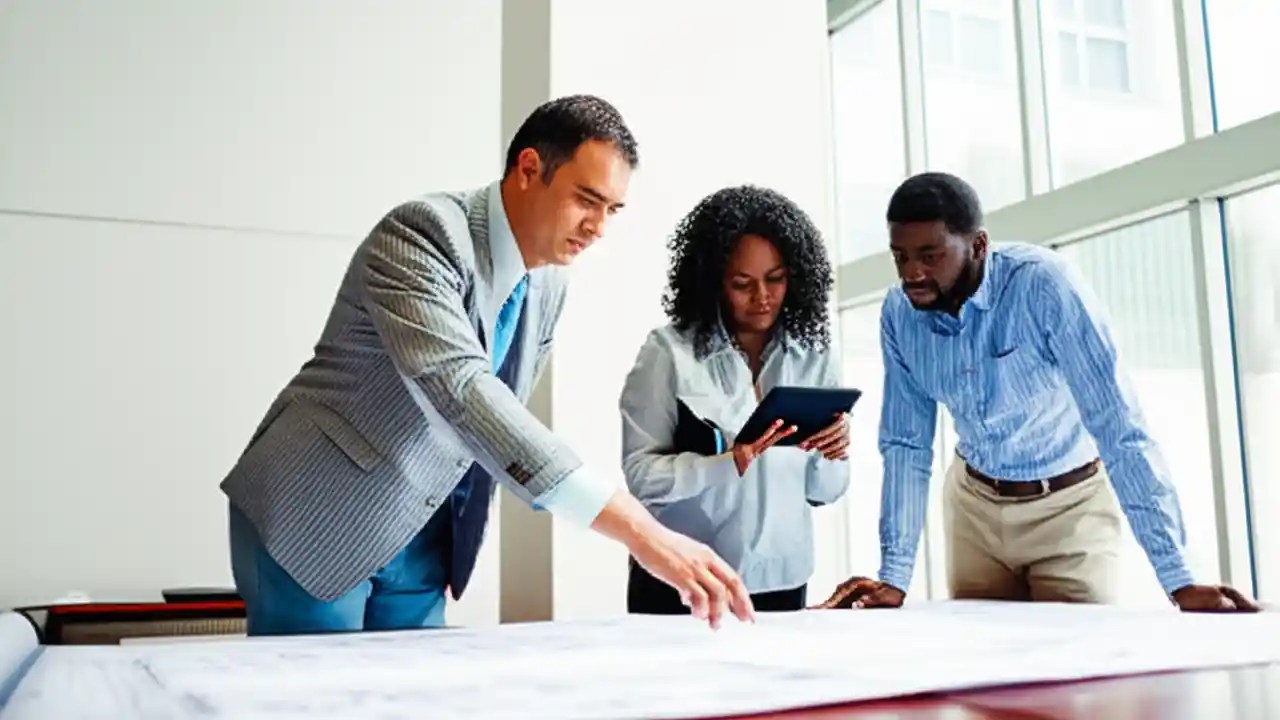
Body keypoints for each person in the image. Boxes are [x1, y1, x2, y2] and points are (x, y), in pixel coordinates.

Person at [219, 95, 755, 636]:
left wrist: (460, 537)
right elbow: (465, 394)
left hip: (423, 536)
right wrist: (641, 532)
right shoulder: (421, 234)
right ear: (528, 169)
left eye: (612, 210)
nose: (597, 228)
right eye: (586, 200)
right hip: (319, 515)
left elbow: (494, 425)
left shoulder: (548, 282)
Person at [816, 172, 1259, 613]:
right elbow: (907, 444)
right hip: (975, 510)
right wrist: (894, 577)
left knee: (1077, 668)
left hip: (1069, 510)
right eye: (901, 256)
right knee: (982, 667)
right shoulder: (900, 313)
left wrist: (1179, 579)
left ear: (978, 245)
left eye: (930, 256)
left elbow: (1118, 425)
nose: (912, 273)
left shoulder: (1045, 286)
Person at [619, 185, 851, 614]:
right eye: (742, 283)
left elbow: (824, 491)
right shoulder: (668, 353)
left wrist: (833, 453)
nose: (762, 296)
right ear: (712, 283)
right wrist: (726, 465)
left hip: (782, 581)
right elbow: (641, 476)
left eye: (776, 279)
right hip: (684, 579)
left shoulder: (815, 358)